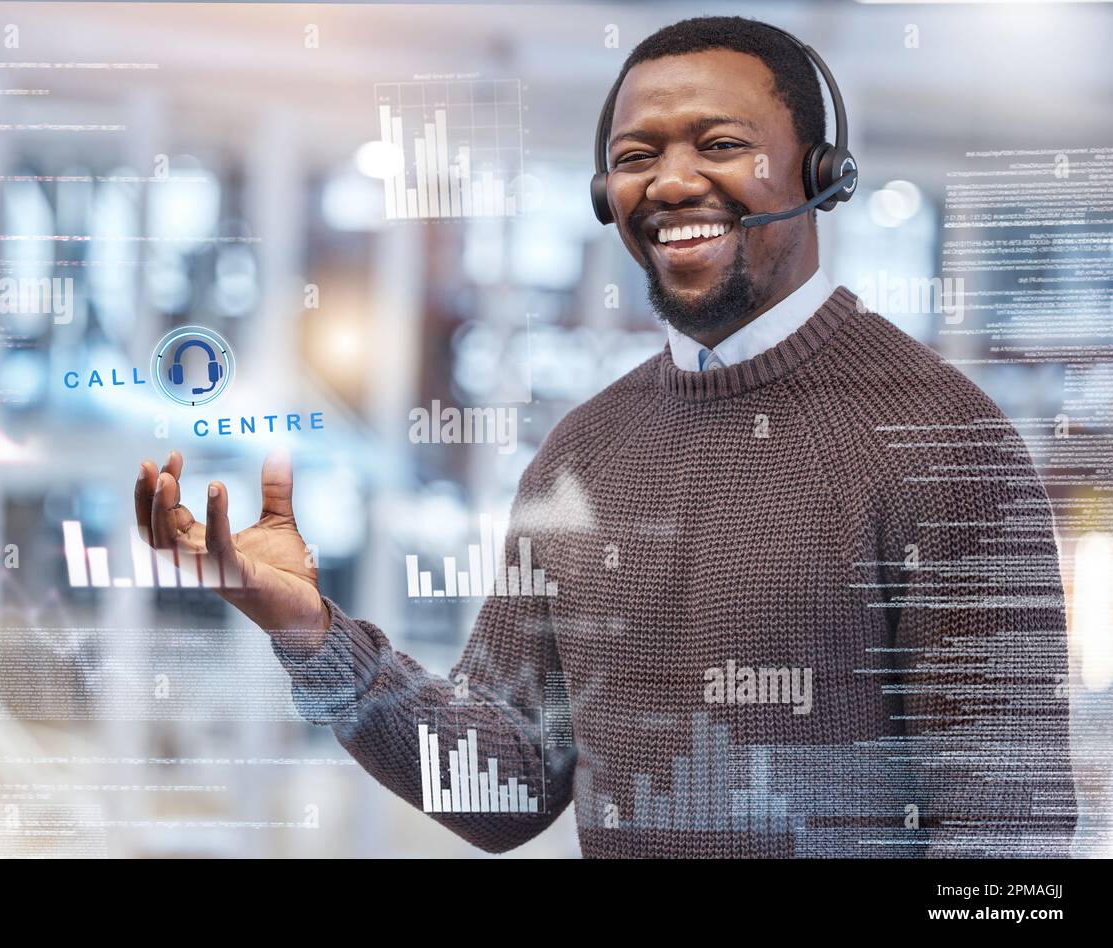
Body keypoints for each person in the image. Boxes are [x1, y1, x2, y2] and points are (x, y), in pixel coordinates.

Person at [132, 16, 1076, 857]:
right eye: (636, 155)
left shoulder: (947, 442)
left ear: (820, 173)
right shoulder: (581, 451)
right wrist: (312, 633)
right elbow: (510, 787)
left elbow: (1009, 833)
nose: (671, 181)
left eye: (720, 143)